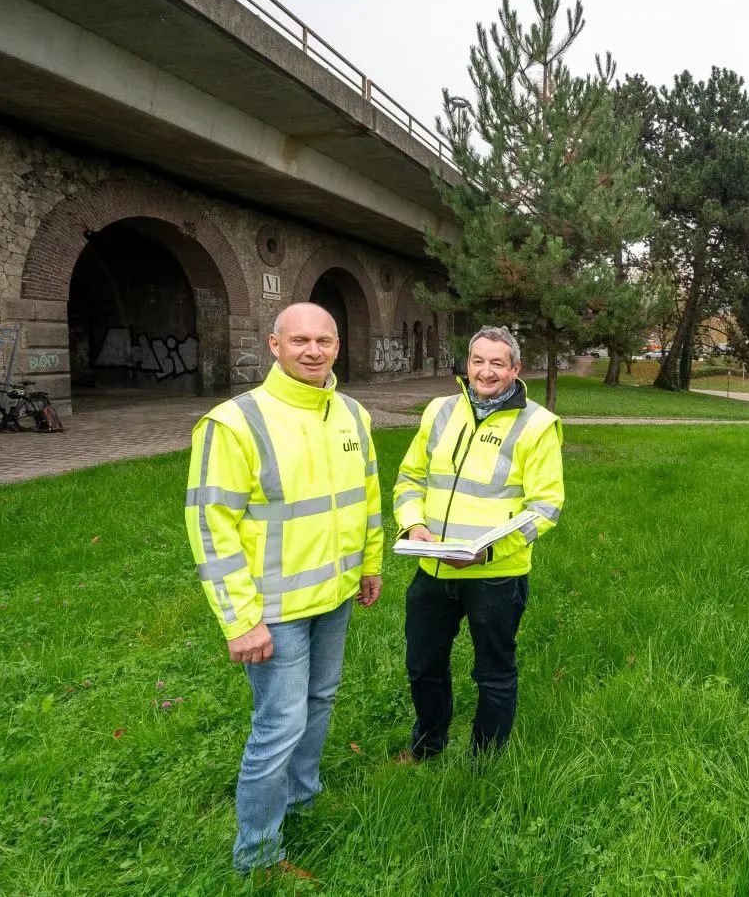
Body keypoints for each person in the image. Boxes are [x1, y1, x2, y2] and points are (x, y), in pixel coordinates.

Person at [184, 302, 384, 878]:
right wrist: (239, 619)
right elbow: (209, 525)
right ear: (274, 345)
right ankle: (258, 854)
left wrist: (369, 566)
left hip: (336, 597)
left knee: (320, 703)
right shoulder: (235, 422)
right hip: (274, 612)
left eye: (324, 340)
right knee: (279, 727)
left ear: (338, 346)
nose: (313, 350)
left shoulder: (352, 415)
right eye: (300, 340)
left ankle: (303, 798)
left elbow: (367, 499)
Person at [393, 325, 564, 760]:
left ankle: (484, 762)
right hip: (432, 567)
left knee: (493, 673)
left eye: (497, 363)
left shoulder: (538, 424)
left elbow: (545, 508)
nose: (486, 372)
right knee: (423, 668)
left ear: (515, 369)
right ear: (466, 364)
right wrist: (413, 525)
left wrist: (488, 552)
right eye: (477, 361)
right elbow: (411, 477)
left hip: (496, 575)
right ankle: (428, 746)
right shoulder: (439, 411)